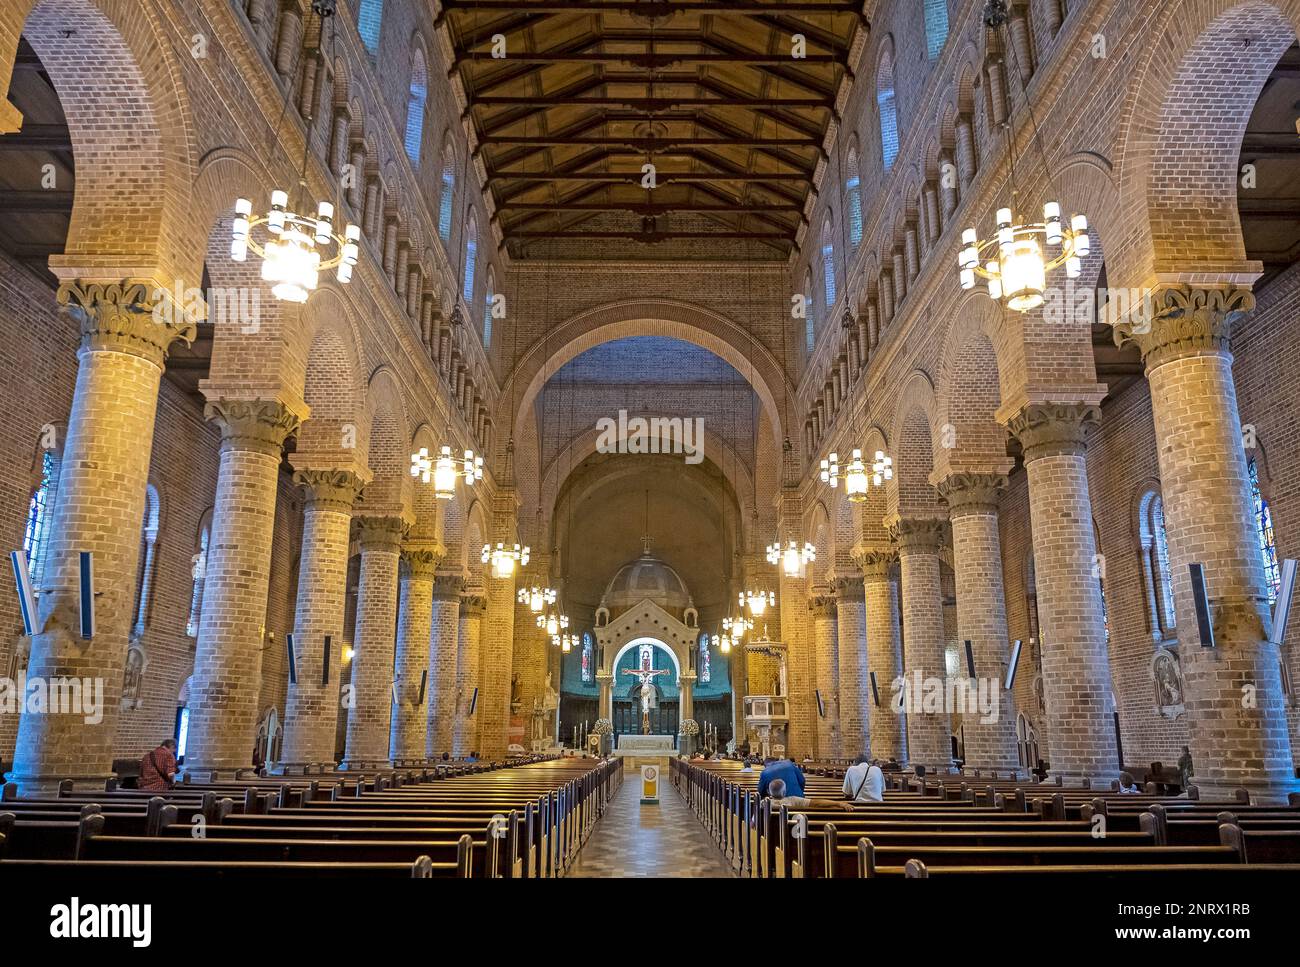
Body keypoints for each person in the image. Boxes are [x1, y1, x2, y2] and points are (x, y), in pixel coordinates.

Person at [767, 778, 853, 811]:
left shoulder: (764, 803)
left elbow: (752, 824)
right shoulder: (793, 800)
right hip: (792, 834)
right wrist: (839, 803)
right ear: (784, 791)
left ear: (769, 792)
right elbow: (816, 803)